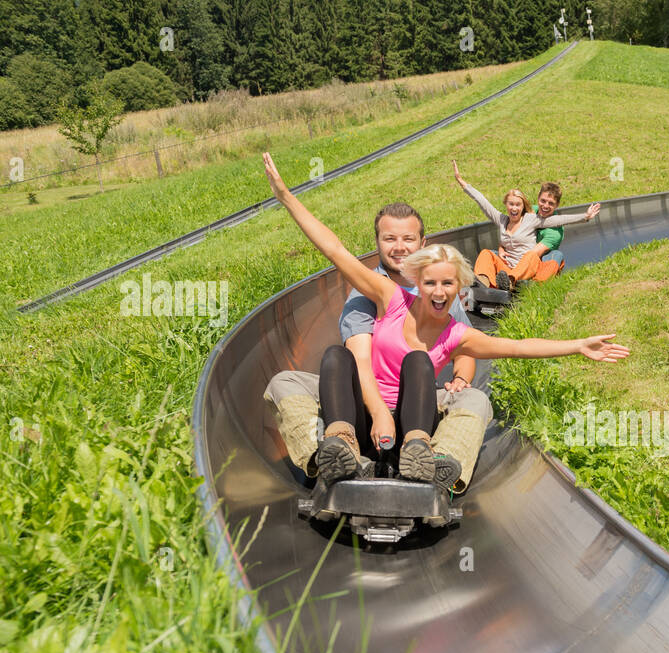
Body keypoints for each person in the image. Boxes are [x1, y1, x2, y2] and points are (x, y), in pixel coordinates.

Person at [263, 152, 629, 488]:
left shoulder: (456, 333)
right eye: (431, 284)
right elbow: (335, 251)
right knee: (325, 361)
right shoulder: (388, 297)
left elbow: (517, 347)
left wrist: (577, 346)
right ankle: (332, 452)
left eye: (447, 286)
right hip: (361, 409)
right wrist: (287, 198)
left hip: (414, 418)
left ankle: (432, 460)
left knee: (447, 381)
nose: (438, 292)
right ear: (417, 283)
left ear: (459, 292)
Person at [263, 201, 491, 491]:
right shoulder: (365, 294)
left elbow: (464, 348)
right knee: (285, 382)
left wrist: (461, 378)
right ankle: (329, 457)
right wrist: (381, 413)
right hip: (362, 406)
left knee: (476, 399)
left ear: (422, 243)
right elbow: (360, 362)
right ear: (377, 243)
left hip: (417, 407)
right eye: (389, 239)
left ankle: (435, 463)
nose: (399, 247)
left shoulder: (437, 288)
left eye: (408, 239)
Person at [453, 160, 600, 291]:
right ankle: (484, 283)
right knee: (486, 253)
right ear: (507, 205)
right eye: (511, 205)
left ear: (523, 207)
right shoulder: (504, 219)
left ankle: (513, 281)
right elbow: (483, 202)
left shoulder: (532, 219)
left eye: (518, 205)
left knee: (536, 256)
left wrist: (585, 217)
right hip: (507, 266)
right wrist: (461, 181)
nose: (514, 208)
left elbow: (559, 220)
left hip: (527, 268)